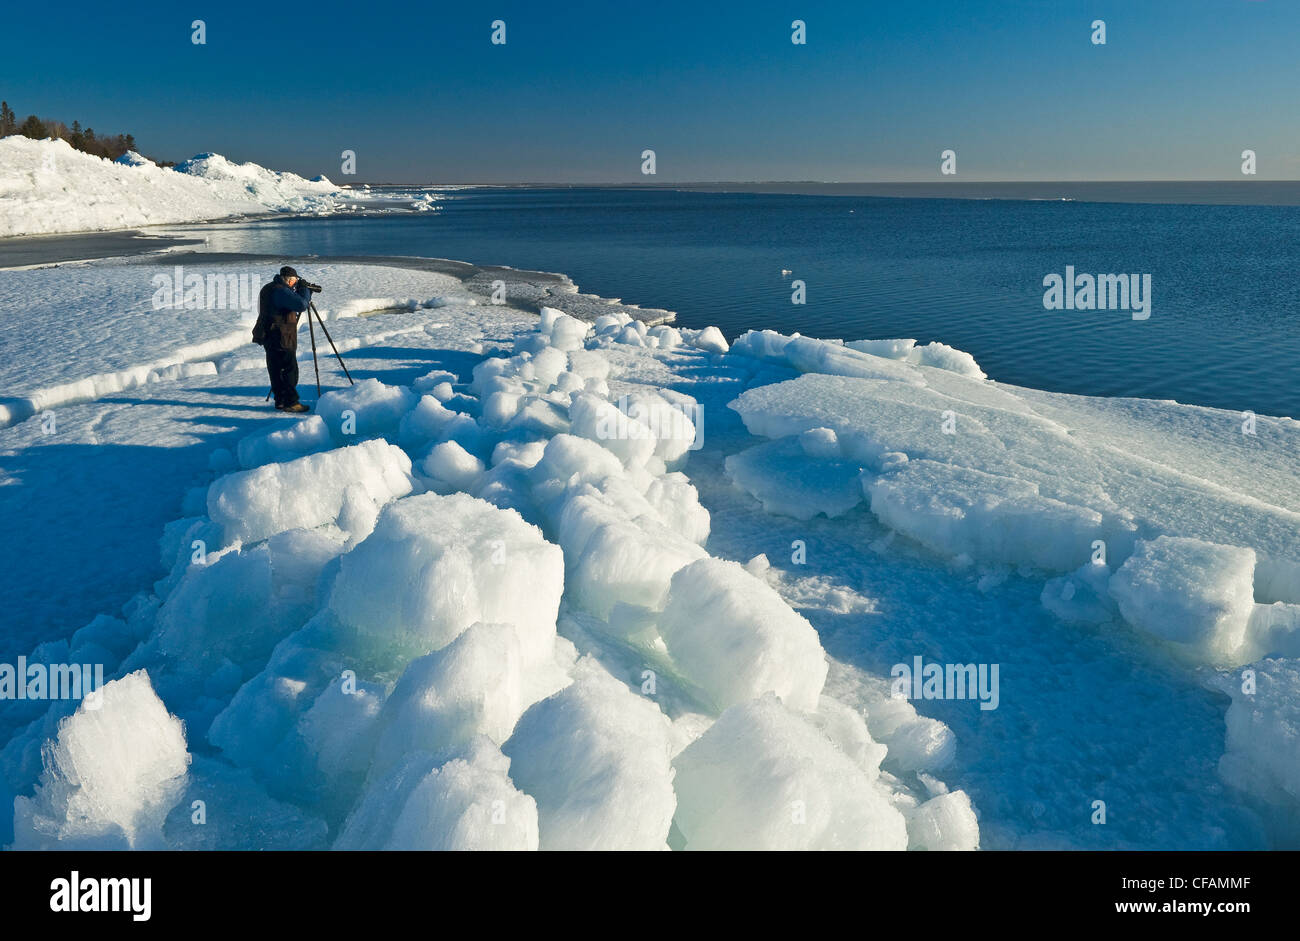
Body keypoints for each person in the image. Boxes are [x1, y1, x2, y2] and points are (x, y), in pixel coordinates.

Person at [253, 266, 313, 412]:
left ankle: (280, 401)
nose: (295, 284)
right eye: (295, 281)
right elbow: (301, 305)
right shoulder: (281, 290)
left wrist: (297, 291)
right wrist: (305, 290)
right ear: (290, 279)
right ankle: (291, 402)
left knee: (275, 369)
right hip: (281, 336)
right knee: (289, 369)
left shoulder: (269, 287)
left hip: (268, 334)